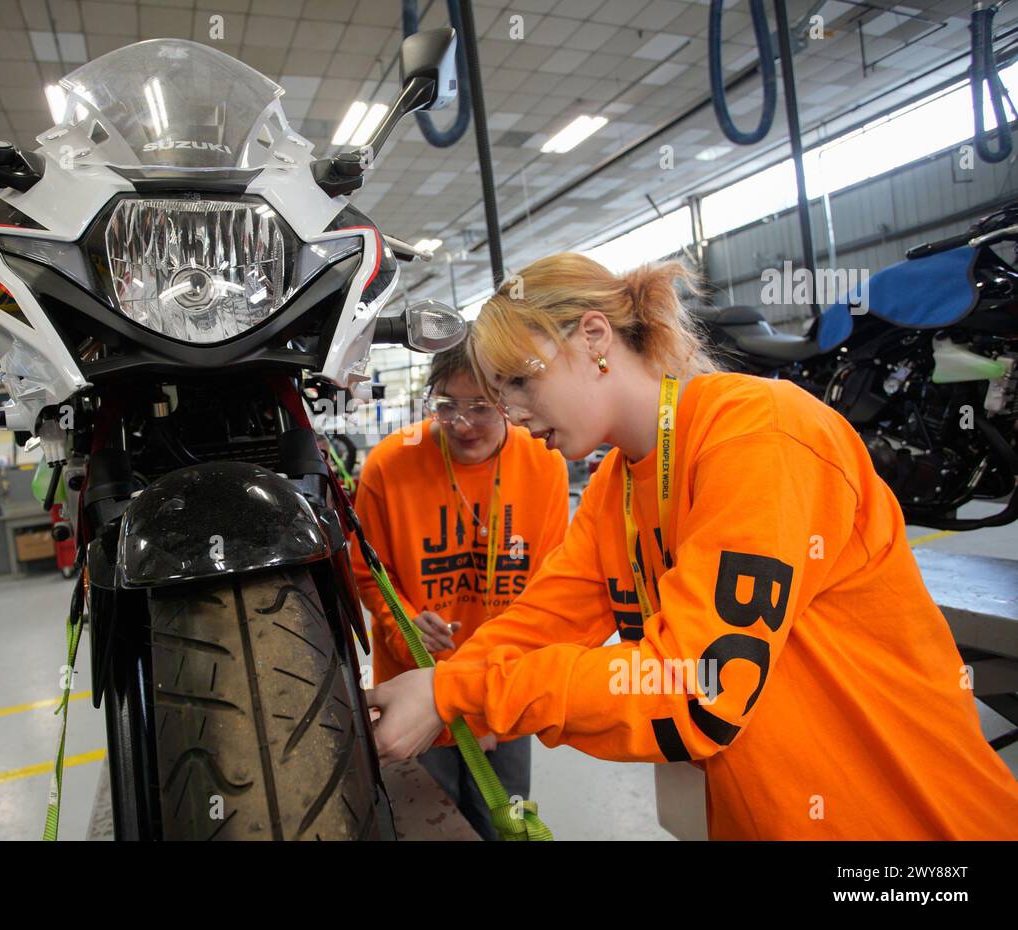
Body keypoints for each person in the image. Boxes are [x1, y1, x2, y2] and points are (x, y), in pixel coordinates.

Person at [366, 252, 1018, 840]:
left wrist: (460, 696)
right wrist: (440, 684)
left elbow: (696, 692)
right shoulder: (614, 491)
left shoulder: (761, 433)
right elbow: (541, 622)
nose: (509, 414)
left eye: (519, 382)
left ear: (594, 337)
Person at [350, 340, 569, 840]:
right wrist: (404, 625)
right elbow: (368, 570)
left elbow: (551, 587)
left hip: (505, 688)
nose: (463, 424)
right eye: (446, 405)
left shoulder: (544, 463)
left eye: (482, 408)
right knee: (434, 826)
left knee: (505, 825)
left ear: (509, 403)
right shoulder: (389, 465)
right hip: (416, 689)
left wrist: (492, 703)